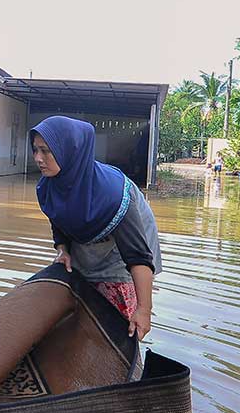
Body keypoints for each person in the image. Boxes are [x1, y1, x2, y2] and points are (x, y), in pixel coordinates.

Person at [31, 116, 162, 340]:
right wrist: (62, 249)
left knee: (115, 313)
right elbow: (58, 220)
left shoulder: (113, 197)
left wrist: (144, 310)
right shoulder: (47, 187)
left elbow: (138, 256)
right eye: (35, 150)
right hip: (88, 234)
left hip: (124, 248)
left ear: (69, 151)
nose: (38, 159)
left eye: (46, 151)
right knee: (77, 304)